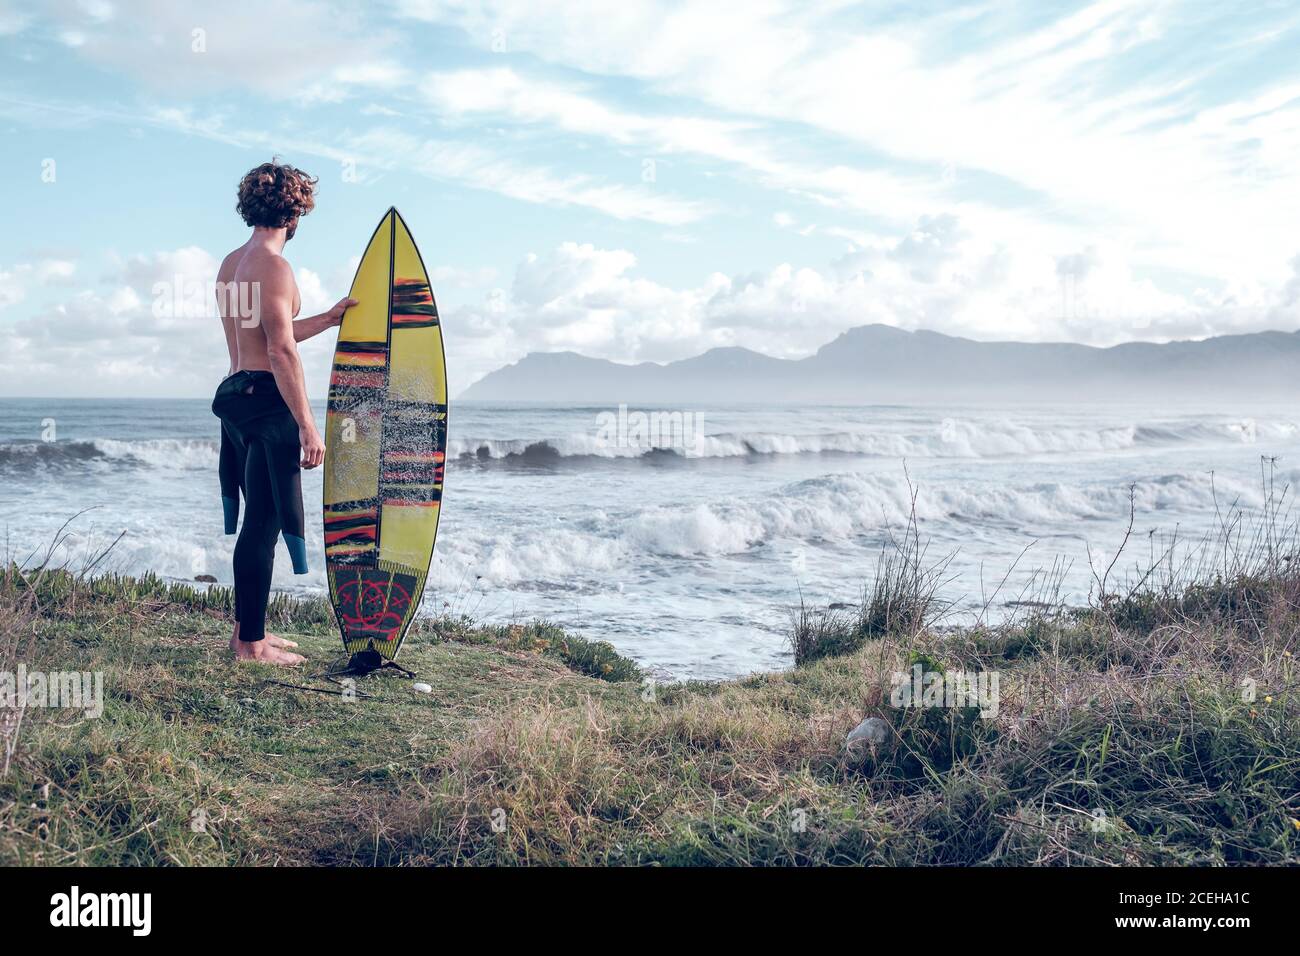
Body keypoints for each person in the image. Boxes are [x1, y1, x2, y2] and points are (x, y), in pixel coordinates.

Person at [211, 160, 356, 666]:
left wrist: (329, 319)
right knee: (264, 524)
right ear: (295, 214)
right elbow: (280, 353)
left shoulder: (232, 263)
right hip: (268, 402)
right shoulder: (275, 267)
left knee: (259, 521)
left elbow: (269, 336)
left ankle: (249, 633)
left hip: (236, 396)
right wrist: (308, 426)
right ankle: (251, 645)